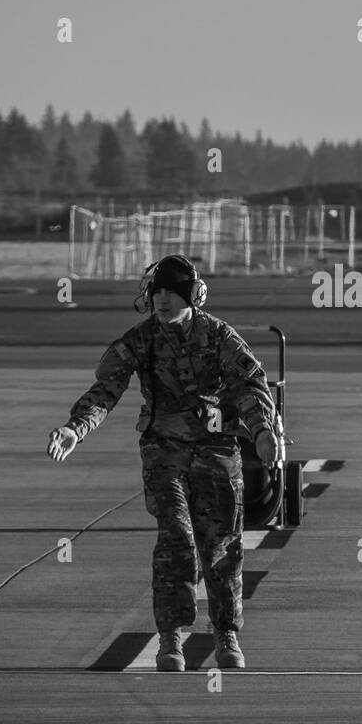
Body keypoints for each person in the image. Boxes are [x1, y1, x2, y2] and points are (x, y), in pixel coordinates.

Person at [46, 254, 280, 671]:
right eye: (157, 293)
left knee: (222, 543)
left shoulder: (218, 335)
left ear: (192, 296)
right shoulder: (141, 339)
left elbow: (251, 385)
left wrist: (263, 432)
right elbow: (106, 390)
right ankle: (171, 636)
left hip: (217, 451)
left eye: (172, 293)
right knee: (176, 536)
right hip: (163, 452)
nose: (162, 301)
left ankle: (225, 633)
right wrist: (75, 428)